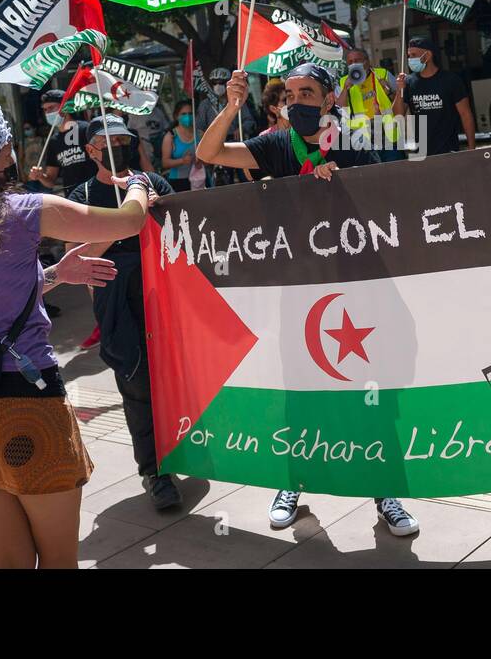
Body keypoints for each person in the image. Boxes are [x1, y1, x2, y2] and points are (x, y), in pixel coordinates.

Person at [0, 104, 158, 568]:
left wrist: (55, 272)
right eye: (4, 141)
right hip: (26, 405)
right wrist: (139, 186)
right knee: (59, 560)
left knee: (10, 559)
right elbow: (128, 223)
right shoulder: (21, 211)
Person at [196, 62, 418, 537]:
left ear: (330, 99)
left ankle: (385, 492)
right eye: (291, 94)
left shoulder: (358, 140)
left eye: (308, 93)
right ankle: (294, 482)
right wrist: (233, 105)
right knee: (301, 393)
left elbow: (390, 199)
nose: (297, 102)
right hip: (299, 292)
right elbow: (209, 152)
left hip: (359, 292)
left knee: (370, 397)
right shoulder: (275, 144)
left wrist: (347, 184)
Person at [67, 115, 180, 511]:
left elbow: (186, 241)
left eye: (124, 139)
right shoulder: (79, 194)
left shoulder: (157, 185)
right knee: (136, 385)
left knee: (177, 380)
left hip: (164, 299)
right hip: (117, 305)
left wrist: (150, 204)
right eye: (107, 140)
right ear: (90, 150)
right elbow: (77, 258)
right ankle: (155, 472)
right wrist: (126, 220)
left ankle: (187, 450)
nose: (118, 146)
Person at [392, 36, 474, 156]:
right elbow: (398, 115)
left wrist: (472, 149)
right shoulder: (408, 82)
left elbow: (466, 115)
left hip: (448, 150)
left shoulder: (451, 80)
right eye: (409, 56)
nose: (410, 59)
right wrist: (399, 91)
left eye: (414, 55)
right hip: (421, 152)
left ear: (428, 55)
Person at [336, 46, 403, 160]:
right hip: (363, 138)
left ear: (366, 61)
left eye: (357, 60)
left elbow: (399, 99)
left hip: (387, 134)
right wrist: (346, 89)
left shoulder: (382, 74)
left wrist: (389, 91)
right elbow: (340, 109)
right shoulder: (343, 81)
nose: (353, 64)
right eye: (350, 62)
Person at [29, 90, 93, 193]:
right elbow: (51, 181)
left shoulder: (85, 129)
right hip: (72, 197)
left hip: (93, 192)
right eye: (45, 109)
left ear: (64, 107)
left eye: (51, 108)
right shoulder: (54, 141)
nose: (48, 113)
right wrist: (40, 176)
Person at [160, 98, 198, 192]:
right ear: (176, 116)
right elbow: (165, 163)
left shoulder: (200, 134)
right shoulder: (170, 136)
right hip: (178, 182)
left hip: (200, 179)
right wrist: (182, 161)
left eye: (190, 113)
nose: (188, 117)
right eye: (184, 114)